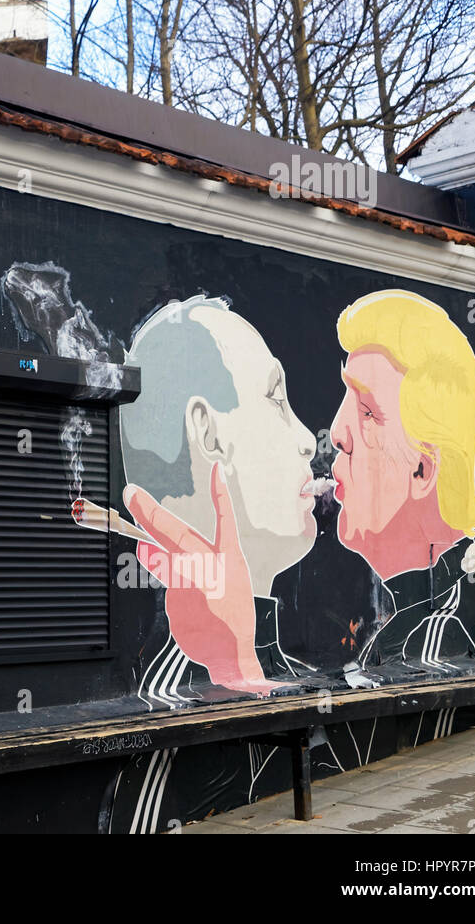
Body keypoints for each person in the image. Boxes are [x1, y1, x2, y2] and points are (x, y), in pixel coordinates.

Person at [118, 295, 320, 703]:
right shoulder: (176, 698)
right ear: (208, 434)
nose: (307, 441)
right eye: (276, 399)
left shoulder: (276, 668)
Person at [328, 290, 475, 681]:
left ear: (423, 470)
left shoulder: (432, 638)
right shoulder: (417, 620)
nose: (336, 432)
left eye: (367, 410)